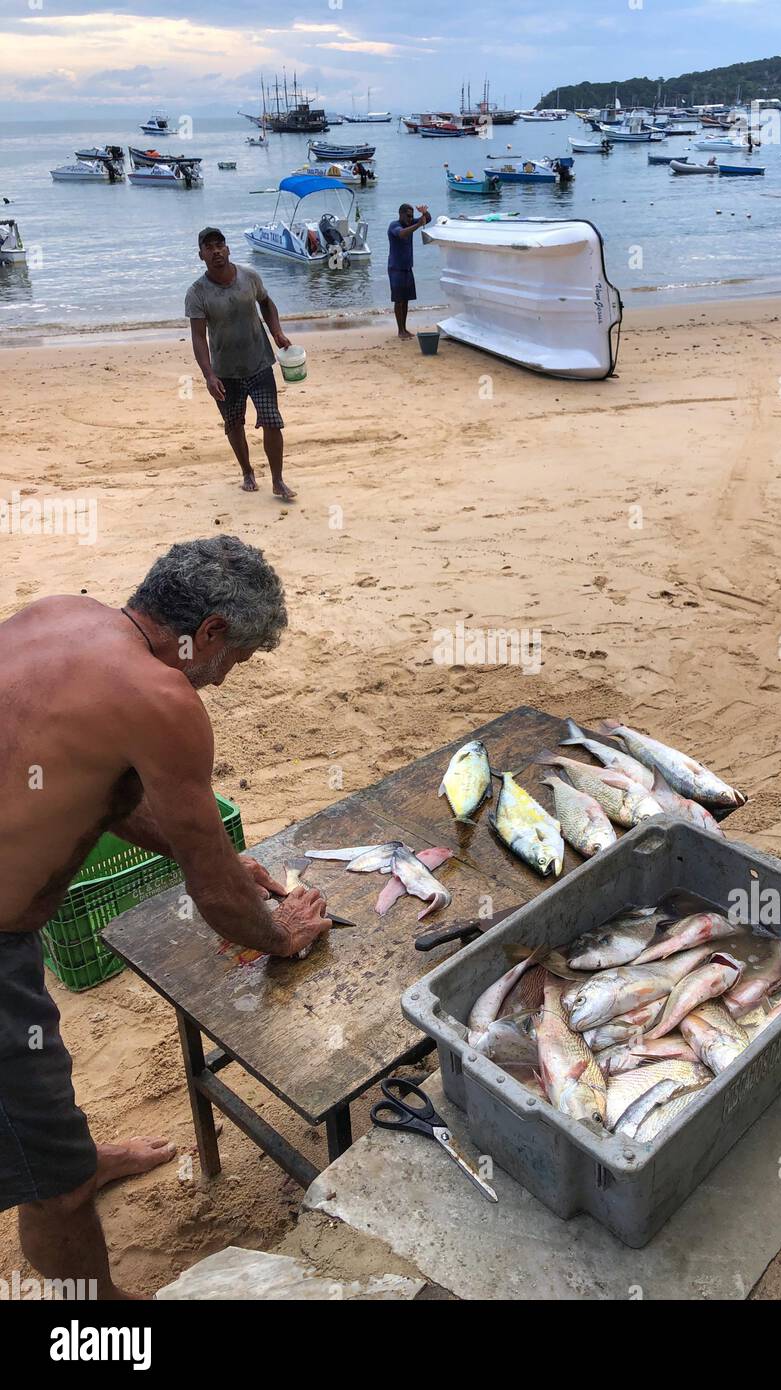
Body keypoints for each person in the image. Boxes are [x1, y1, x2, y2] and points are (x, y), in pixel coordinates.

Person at [0, 536, 331, 1299]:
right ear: (209, 632)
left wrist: (210, 849)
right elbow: (217, 902)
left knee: (39, 1091)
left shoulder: (63, 614)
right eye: (233, 660)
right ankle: (95, 1310)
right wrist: (280, 933)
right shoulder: (163, 697)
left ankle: (70, 1154)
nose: (220, 680)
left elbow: (90, 789)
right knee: (48, 1175)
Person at [186, 228, 296, 501]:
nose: (216, 251)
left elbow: (266, 304)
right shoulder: (197, 293)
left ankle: (278, 480)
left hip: (259, 362)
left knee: (272, 420)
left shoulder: (249, 277)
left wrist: (277, 332)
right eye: (209, 247)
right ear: (201, 255)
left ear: (228, 248)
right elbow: (199, 338)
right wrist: (209, 375)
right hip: (225, 371)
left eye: (220, 245)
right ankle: (247, 471)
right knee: (233, 423)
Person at [387, 202, 432, 340]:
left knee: (406, 299)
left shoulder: (410, 223)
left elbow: (428, 219)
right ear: (400, 214)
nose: (410, 218)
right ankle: (400, 330)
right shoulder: (394, 225)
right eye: (408, 216)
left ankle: (404, 328)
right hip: (396, 268)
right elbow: (402, 234)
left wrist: (424, 213)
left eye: (412, 216)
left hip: (407, 267)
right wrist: (418, 224)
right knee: (398, 300)